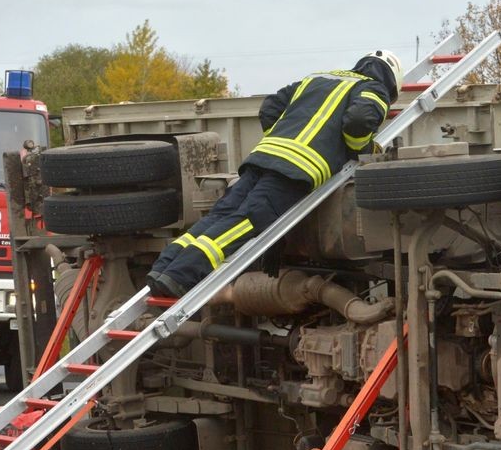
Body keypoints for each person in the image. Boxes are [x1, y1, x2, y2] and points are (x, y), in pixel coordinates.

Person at [148, 49, 401, 298]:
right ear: (392, 84)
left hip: (263, 157)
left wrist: (281, 141)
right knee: (248, 220)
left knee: (220, 214)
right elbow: (358, 120)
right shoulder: (374, 89)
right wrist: (360, 150)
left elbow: (269, 109)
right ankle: (182, 275)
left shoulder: (316, 78)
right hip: (297, 170)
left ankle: (163, 268)